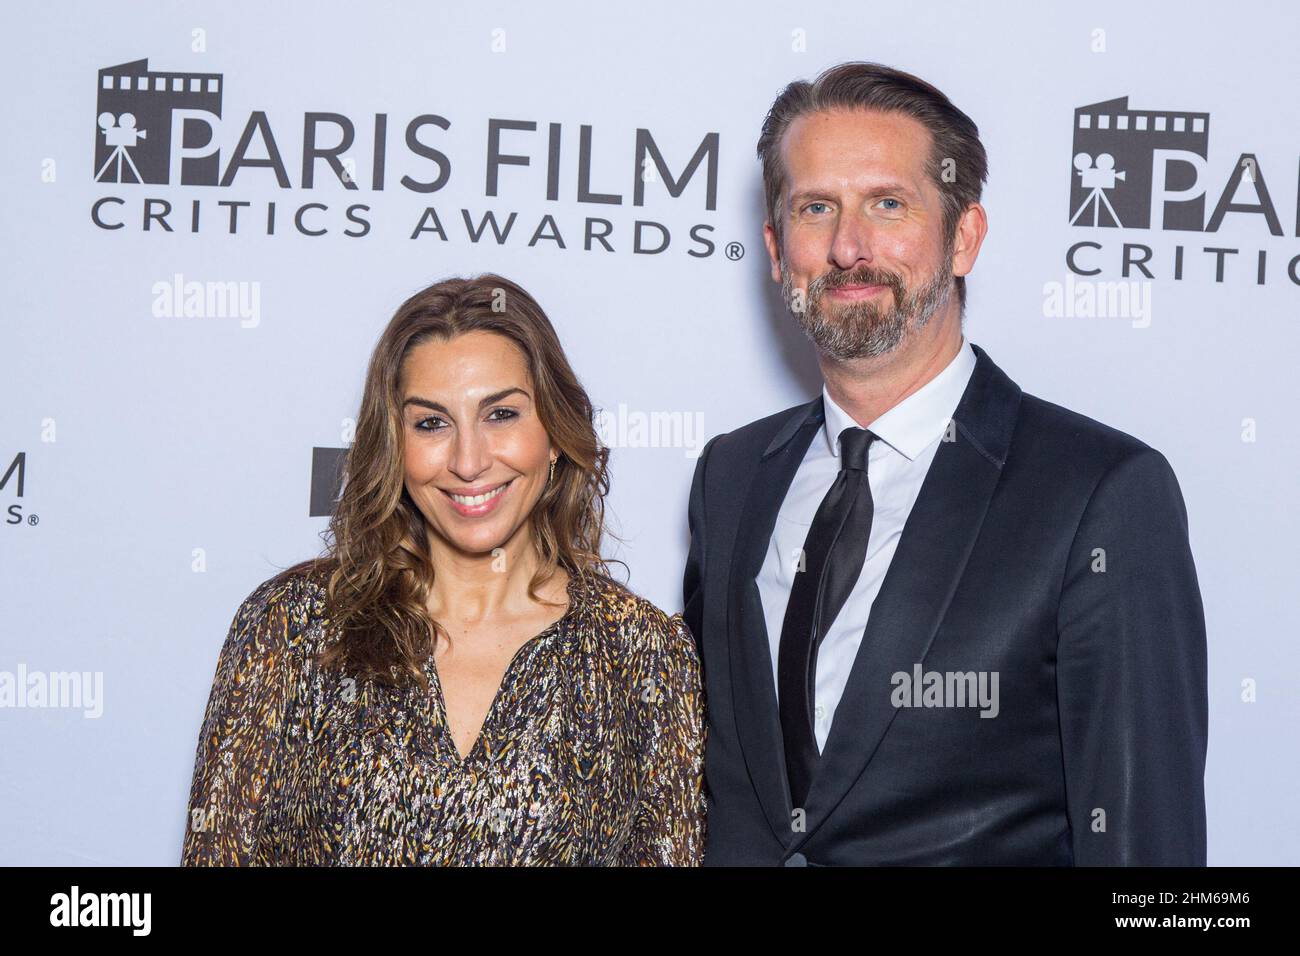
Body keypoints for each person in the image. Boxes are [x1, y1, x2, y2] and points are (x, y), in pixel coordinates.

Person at [683, 62, 1207, 866]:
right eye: (816, 208)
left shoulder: (1098, 493)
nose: (849, 246)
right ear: (778, 248)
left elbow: (1148, 854)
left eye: (888, 204)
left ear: (963, 237)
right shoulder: (732, 476)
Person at [182, 274, 705, 865]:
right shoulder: (292, 625)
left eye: (501, 414)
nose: (468, 461)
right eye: (431, 423)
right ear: (393, 446)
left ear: (556, 435)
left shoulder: (641, 653)